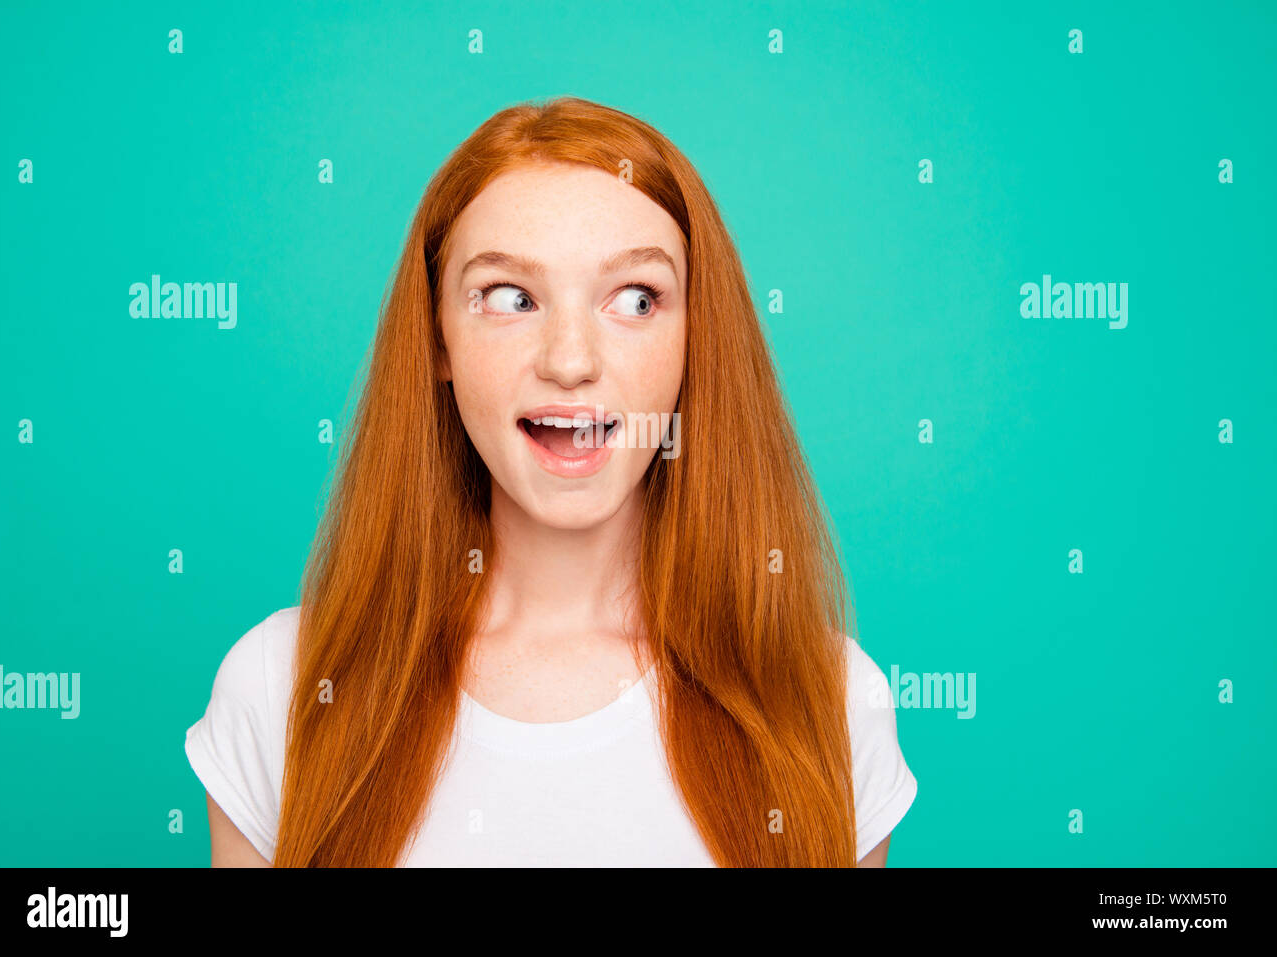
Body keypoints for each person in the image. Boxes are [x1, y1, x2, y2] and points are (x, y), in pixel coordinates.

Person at [185, 96, 917, 867]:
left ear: (697, 339)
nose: (570, 360)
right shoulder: (281, 687)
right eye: (510, 298)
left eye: (637, 299)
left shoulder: (829, 700)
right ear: (437, 340)